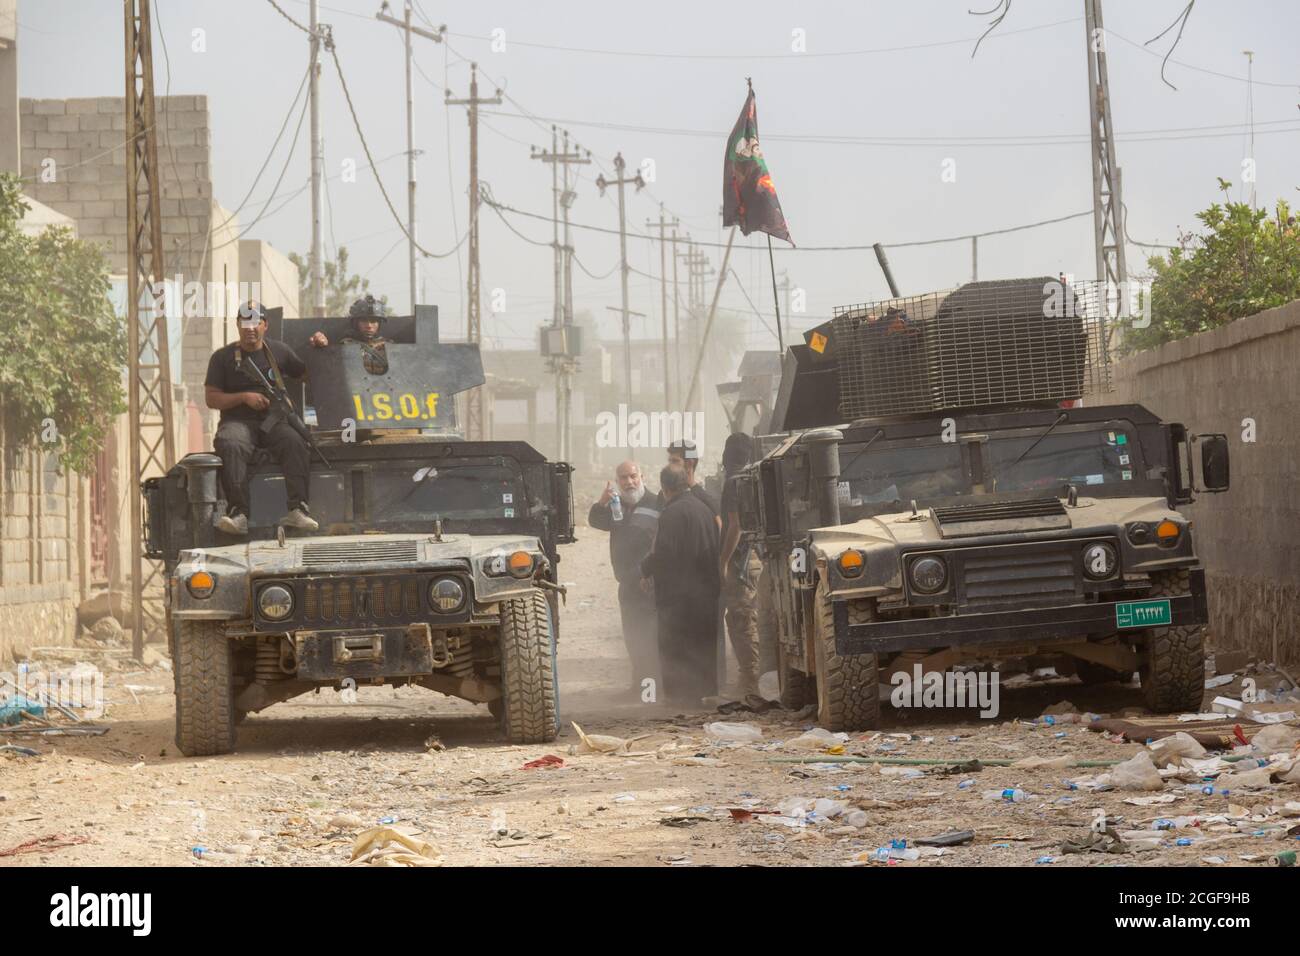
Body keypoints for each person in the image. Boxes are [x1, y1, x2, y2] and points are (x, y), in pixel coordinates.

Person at [205, 301, 318, 535]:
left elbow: (308, 373)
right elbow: (212, 399)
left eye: (256, 322)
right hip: (238, 422)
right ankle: (239, 513)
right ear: (238, 325)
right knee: (231, 443)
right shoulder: (222, 358)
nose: (250, 328)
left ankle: (298, 509)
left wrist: (318, 348)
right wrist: (244, 397)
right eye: (245, 322)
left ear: (265, 325)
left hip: (274, 422)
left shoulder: (280, 352)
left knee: (295, 442)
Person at [640, 465, 721, 706]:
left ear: (665, 488)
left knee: (675, 643)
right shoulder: (704, 509)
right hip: (706, 589)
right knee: (703, 642)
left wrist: (644, 570)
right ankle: (703, 691)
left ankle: (679, 696)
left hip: (679, 595)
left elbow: (664, 553)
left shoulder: (671, 513)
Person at [587, 461, 662, 691]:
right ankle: (639, 684)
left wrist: (649, 574)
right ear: (617, 481)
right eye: (623, 478)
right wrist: (602, 502)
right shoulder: (616, 507)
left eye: (633, 476)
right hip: (627, 583)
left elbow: (663, 543)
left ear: (642, 476)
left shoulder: (656, 503)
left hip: (649, 582)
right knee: (632, 636)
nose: (629, 482)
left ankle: (654, 687)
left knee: (651, 636)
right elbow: (595, 521)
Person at [718, 432, 761, 698]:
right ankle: (748, 679)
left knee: (742, 620)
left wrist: (722, 561)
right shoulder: (754, 478)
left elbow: (735, 526)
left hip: (741, 561)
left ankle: (750, 683)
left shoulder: (734, 483)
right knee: (743, 618)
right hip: (753, 559)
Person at [308, 293, 390, 374]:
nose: (369, 326)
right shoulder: (344, 345)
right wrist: (324, 348)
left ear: (379, 324)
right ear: (356, 323)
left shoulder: (389, 346)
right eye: (364, 321)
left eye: (373, 321)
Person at [667, 438, 720, 527]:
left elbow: (718, 530)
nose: (669, 466)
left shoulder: (706, 501)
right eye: (670, 461)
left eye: (675, 461)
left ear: (689, 464)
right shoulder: (665, 494)